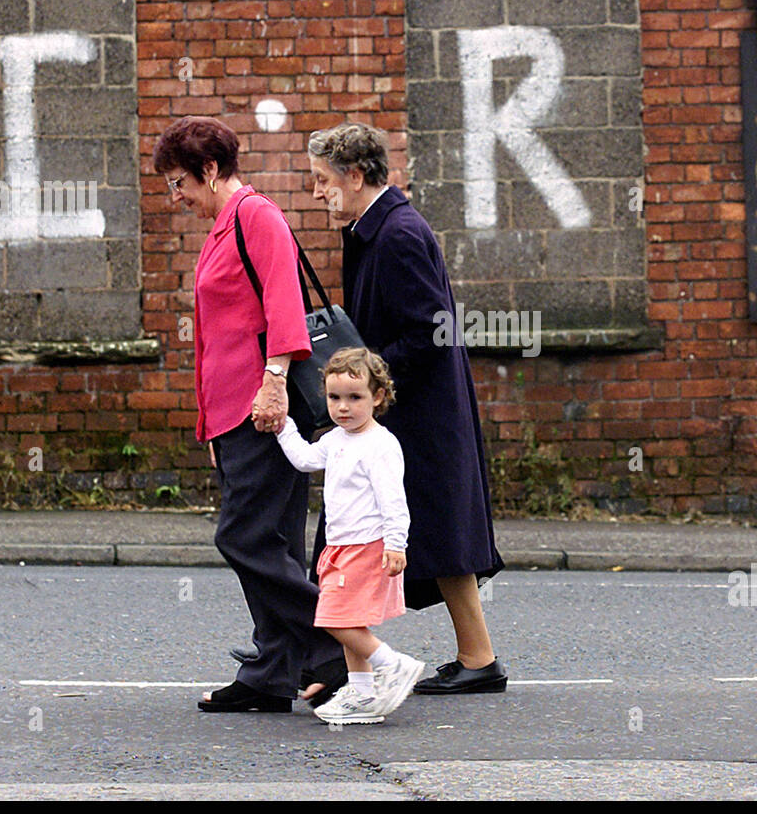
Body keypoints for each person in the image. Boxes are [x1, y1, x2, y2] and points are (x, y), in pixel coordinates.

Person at [152, 115, 346, 713]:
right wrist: (211, 422)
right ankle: (271, 673)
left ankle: (335, 648)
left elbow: (285, 310)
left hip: (262, 409)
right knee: (275, 543)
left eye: (179, 182)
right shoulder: (222, 227)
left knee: (242, 537)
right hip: (233, 413)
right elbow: (220, 334)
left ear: (210, 171)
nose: (175, 197)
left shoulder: (256, 217)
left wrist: (272, 387)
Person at [307, 122, 507, 694]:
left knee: (378, 534)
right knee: (434, 535)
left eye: (322, 180)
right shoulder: (377, 228)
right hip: (407, 406)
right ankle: (475, 657)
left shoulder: (396, 234)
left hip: (417, 412)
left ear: (354, 174)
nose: (317, 192)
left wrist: (361, 386)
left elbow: (429, 332)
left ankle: (339, 666)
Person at [275, 348, 425, 724]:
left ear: (378, 397)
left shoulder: (380, 445)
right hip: (339, 547)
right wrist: (283, 428)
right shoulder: (337, 439)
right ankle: (361, 690)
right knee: (351, 620)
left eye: (355, 397)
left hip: (366, 545)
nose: (343, 407)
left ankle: (392, 664)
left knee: (334, 619)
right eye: (334, 397)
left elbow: (394, 499)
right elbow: (306, 460)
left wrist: (395, 543)